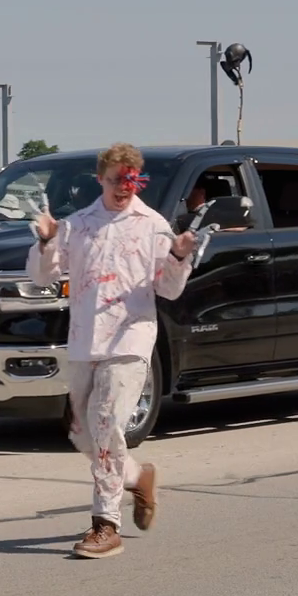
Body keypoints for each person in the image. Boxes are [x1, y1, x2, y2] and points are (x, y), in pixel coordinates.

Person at [27, 143, 197, 559]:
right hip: (86, 340)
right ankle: (137, 477)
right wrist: (46, 241)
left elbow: (169, 289)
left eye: (131, 181)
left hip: (130, 339)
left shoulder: (152, 226)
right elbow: (41, 276)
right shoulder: (78, 225)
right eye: (116, 180)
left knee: (104, 422)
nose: (124, 188)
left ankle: (105, 525)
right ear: (100, 179)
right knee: (81, 432)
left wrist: (178, 257)